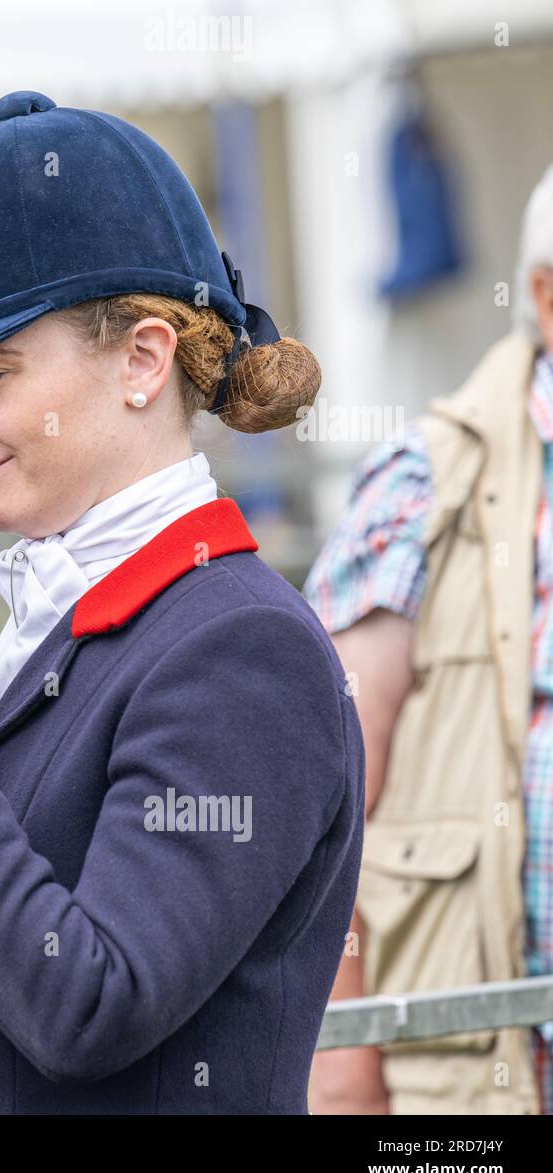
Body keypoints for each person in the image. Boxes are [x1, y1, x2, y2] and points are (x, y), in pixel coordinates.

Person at [0, 91, 364, 1114]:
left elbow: (91, 1010)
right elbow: (44, 1017)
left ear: (141, 360)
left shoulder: (239, 649)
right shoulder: (79, 616)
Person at [304, 163, 553, 1117]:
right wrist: (344, 1068)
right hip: (476, 1092)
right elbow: (327, 814)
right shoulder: (424, 485)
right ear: (543, 294)